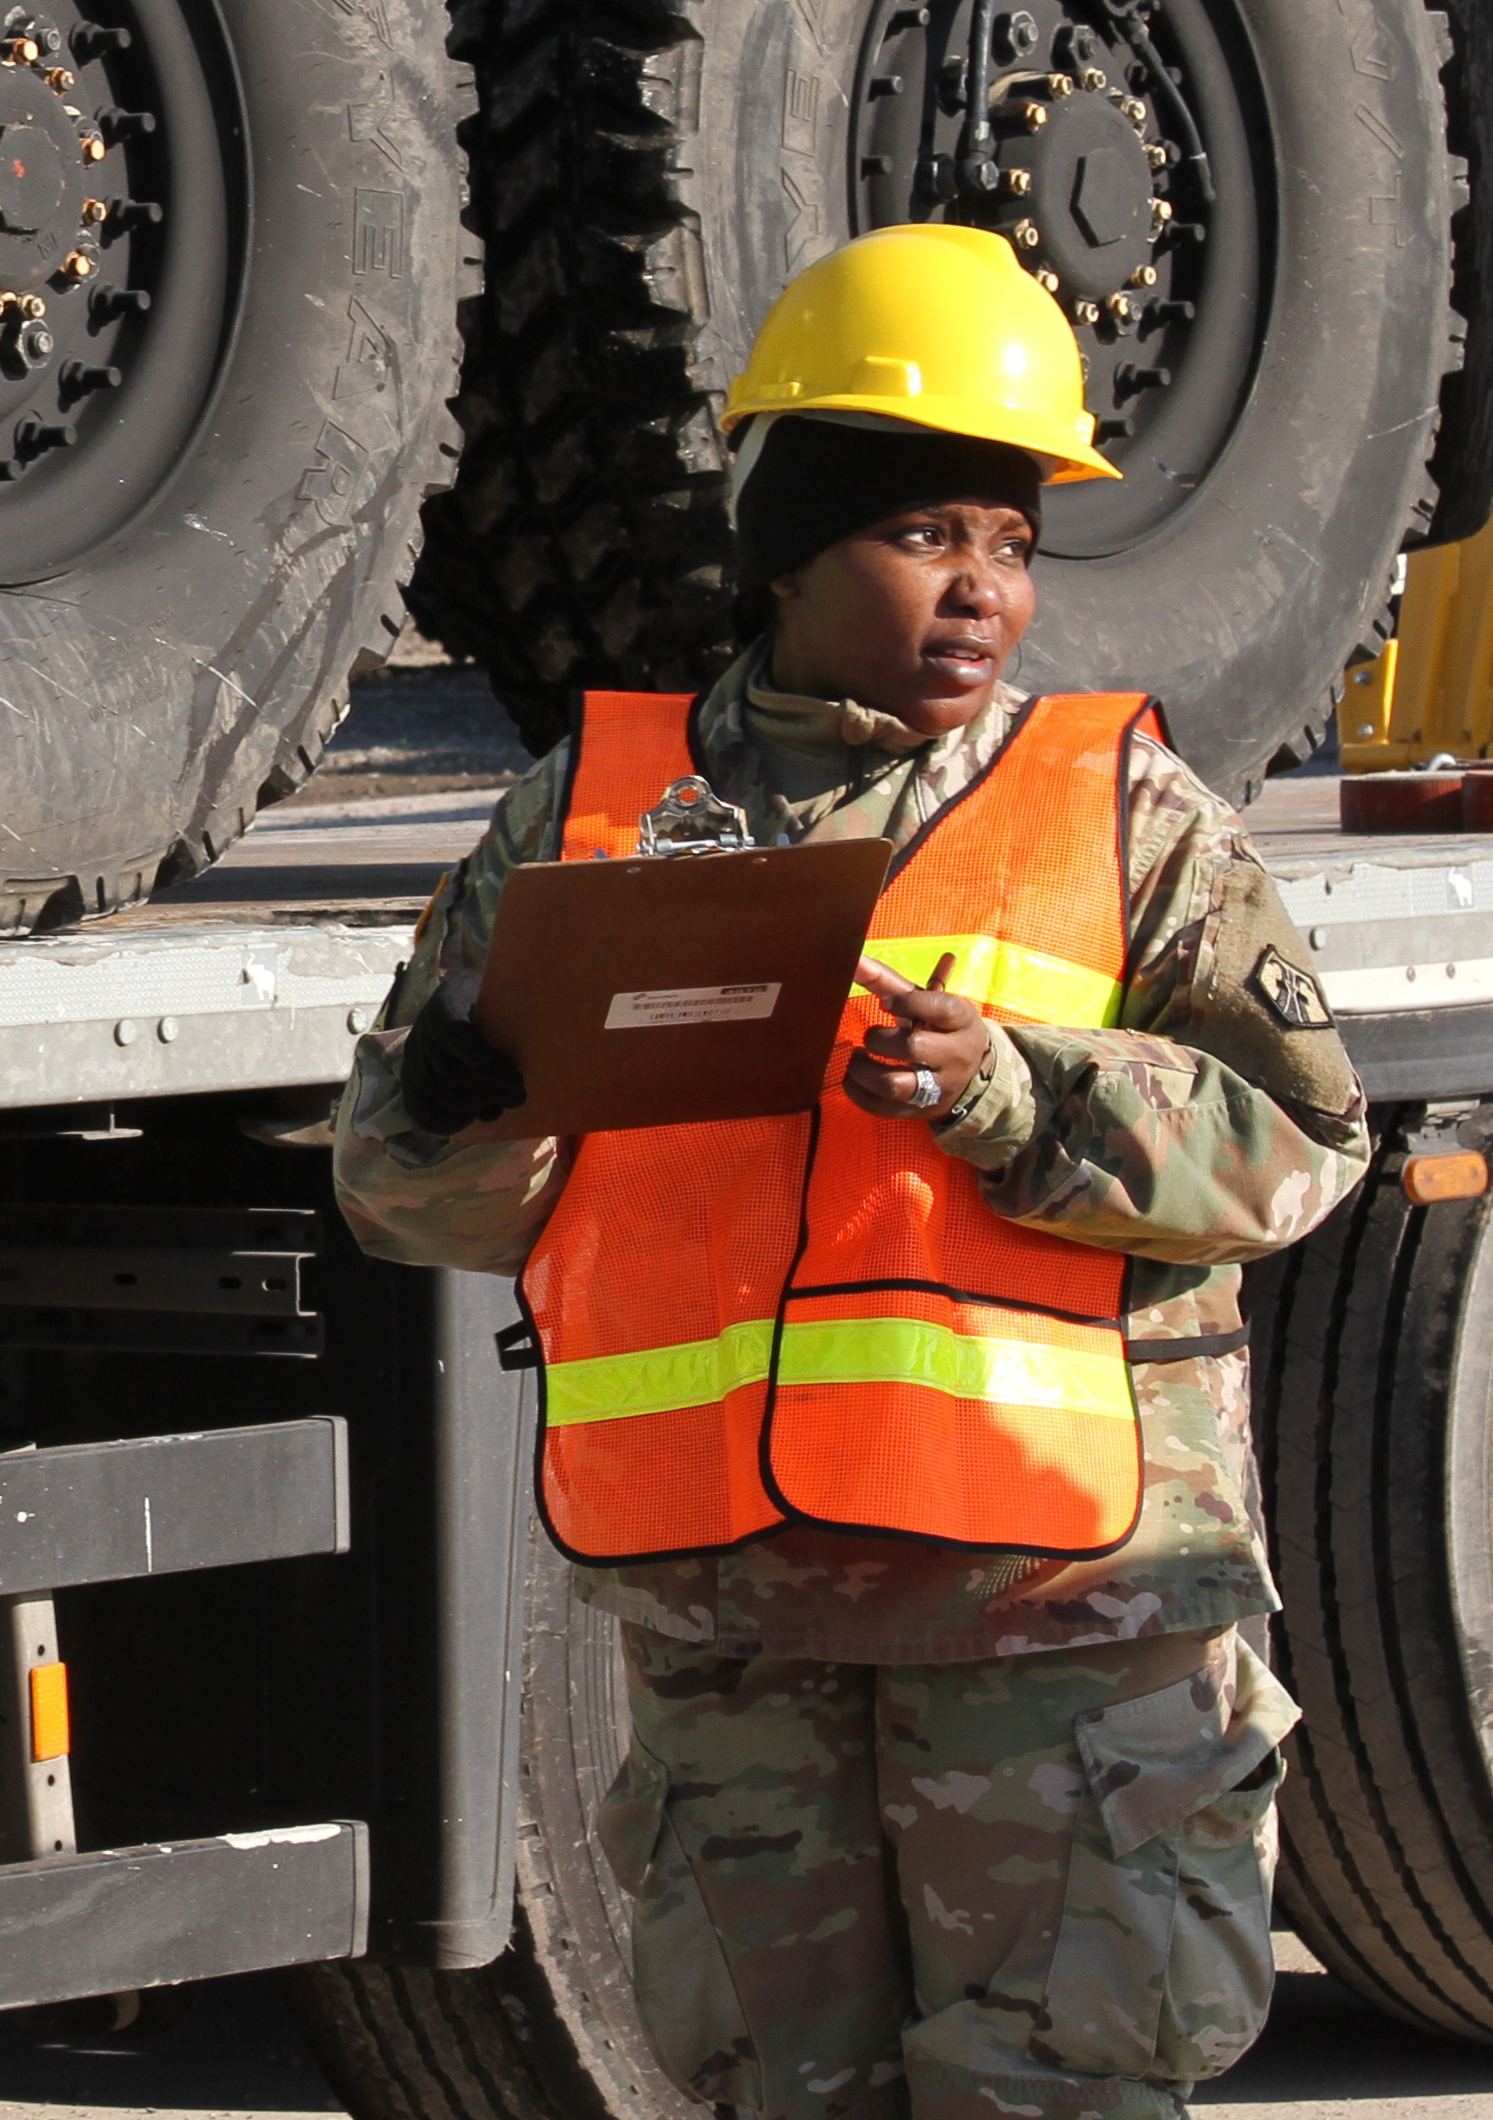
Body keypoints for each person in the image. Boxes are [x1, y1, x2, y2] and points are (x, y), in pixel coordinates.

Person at [333, 222, 1368, 2120]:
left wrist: (1015, 1094)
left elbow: (1298, 1144)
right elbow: (400, 1200)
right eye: (923, 536)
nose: (978, 595)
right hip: (732, 1620)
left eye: (1011, 546)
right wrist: (472, 1115)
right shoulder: (590, 809)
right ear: (789, 545)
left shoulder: (1117, 811)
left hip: (1057, 1612)